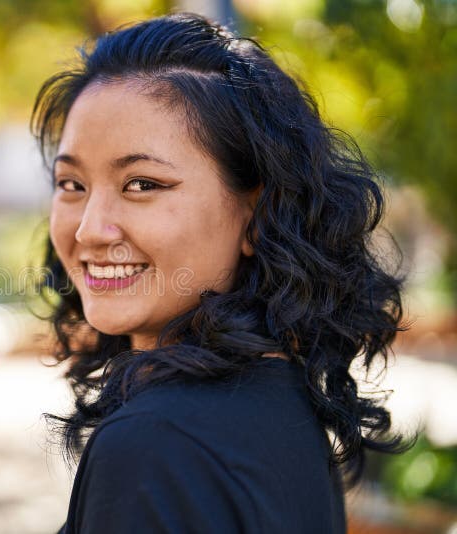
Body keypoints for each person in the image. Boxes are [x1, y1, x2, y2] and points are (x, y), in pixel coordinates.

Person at [28, 11, 418, 534]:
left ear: (258, 214)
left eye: (142, 184)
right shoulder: (282, 400)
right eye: (72, 184)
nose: (90, 230)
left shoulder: (155, 445)